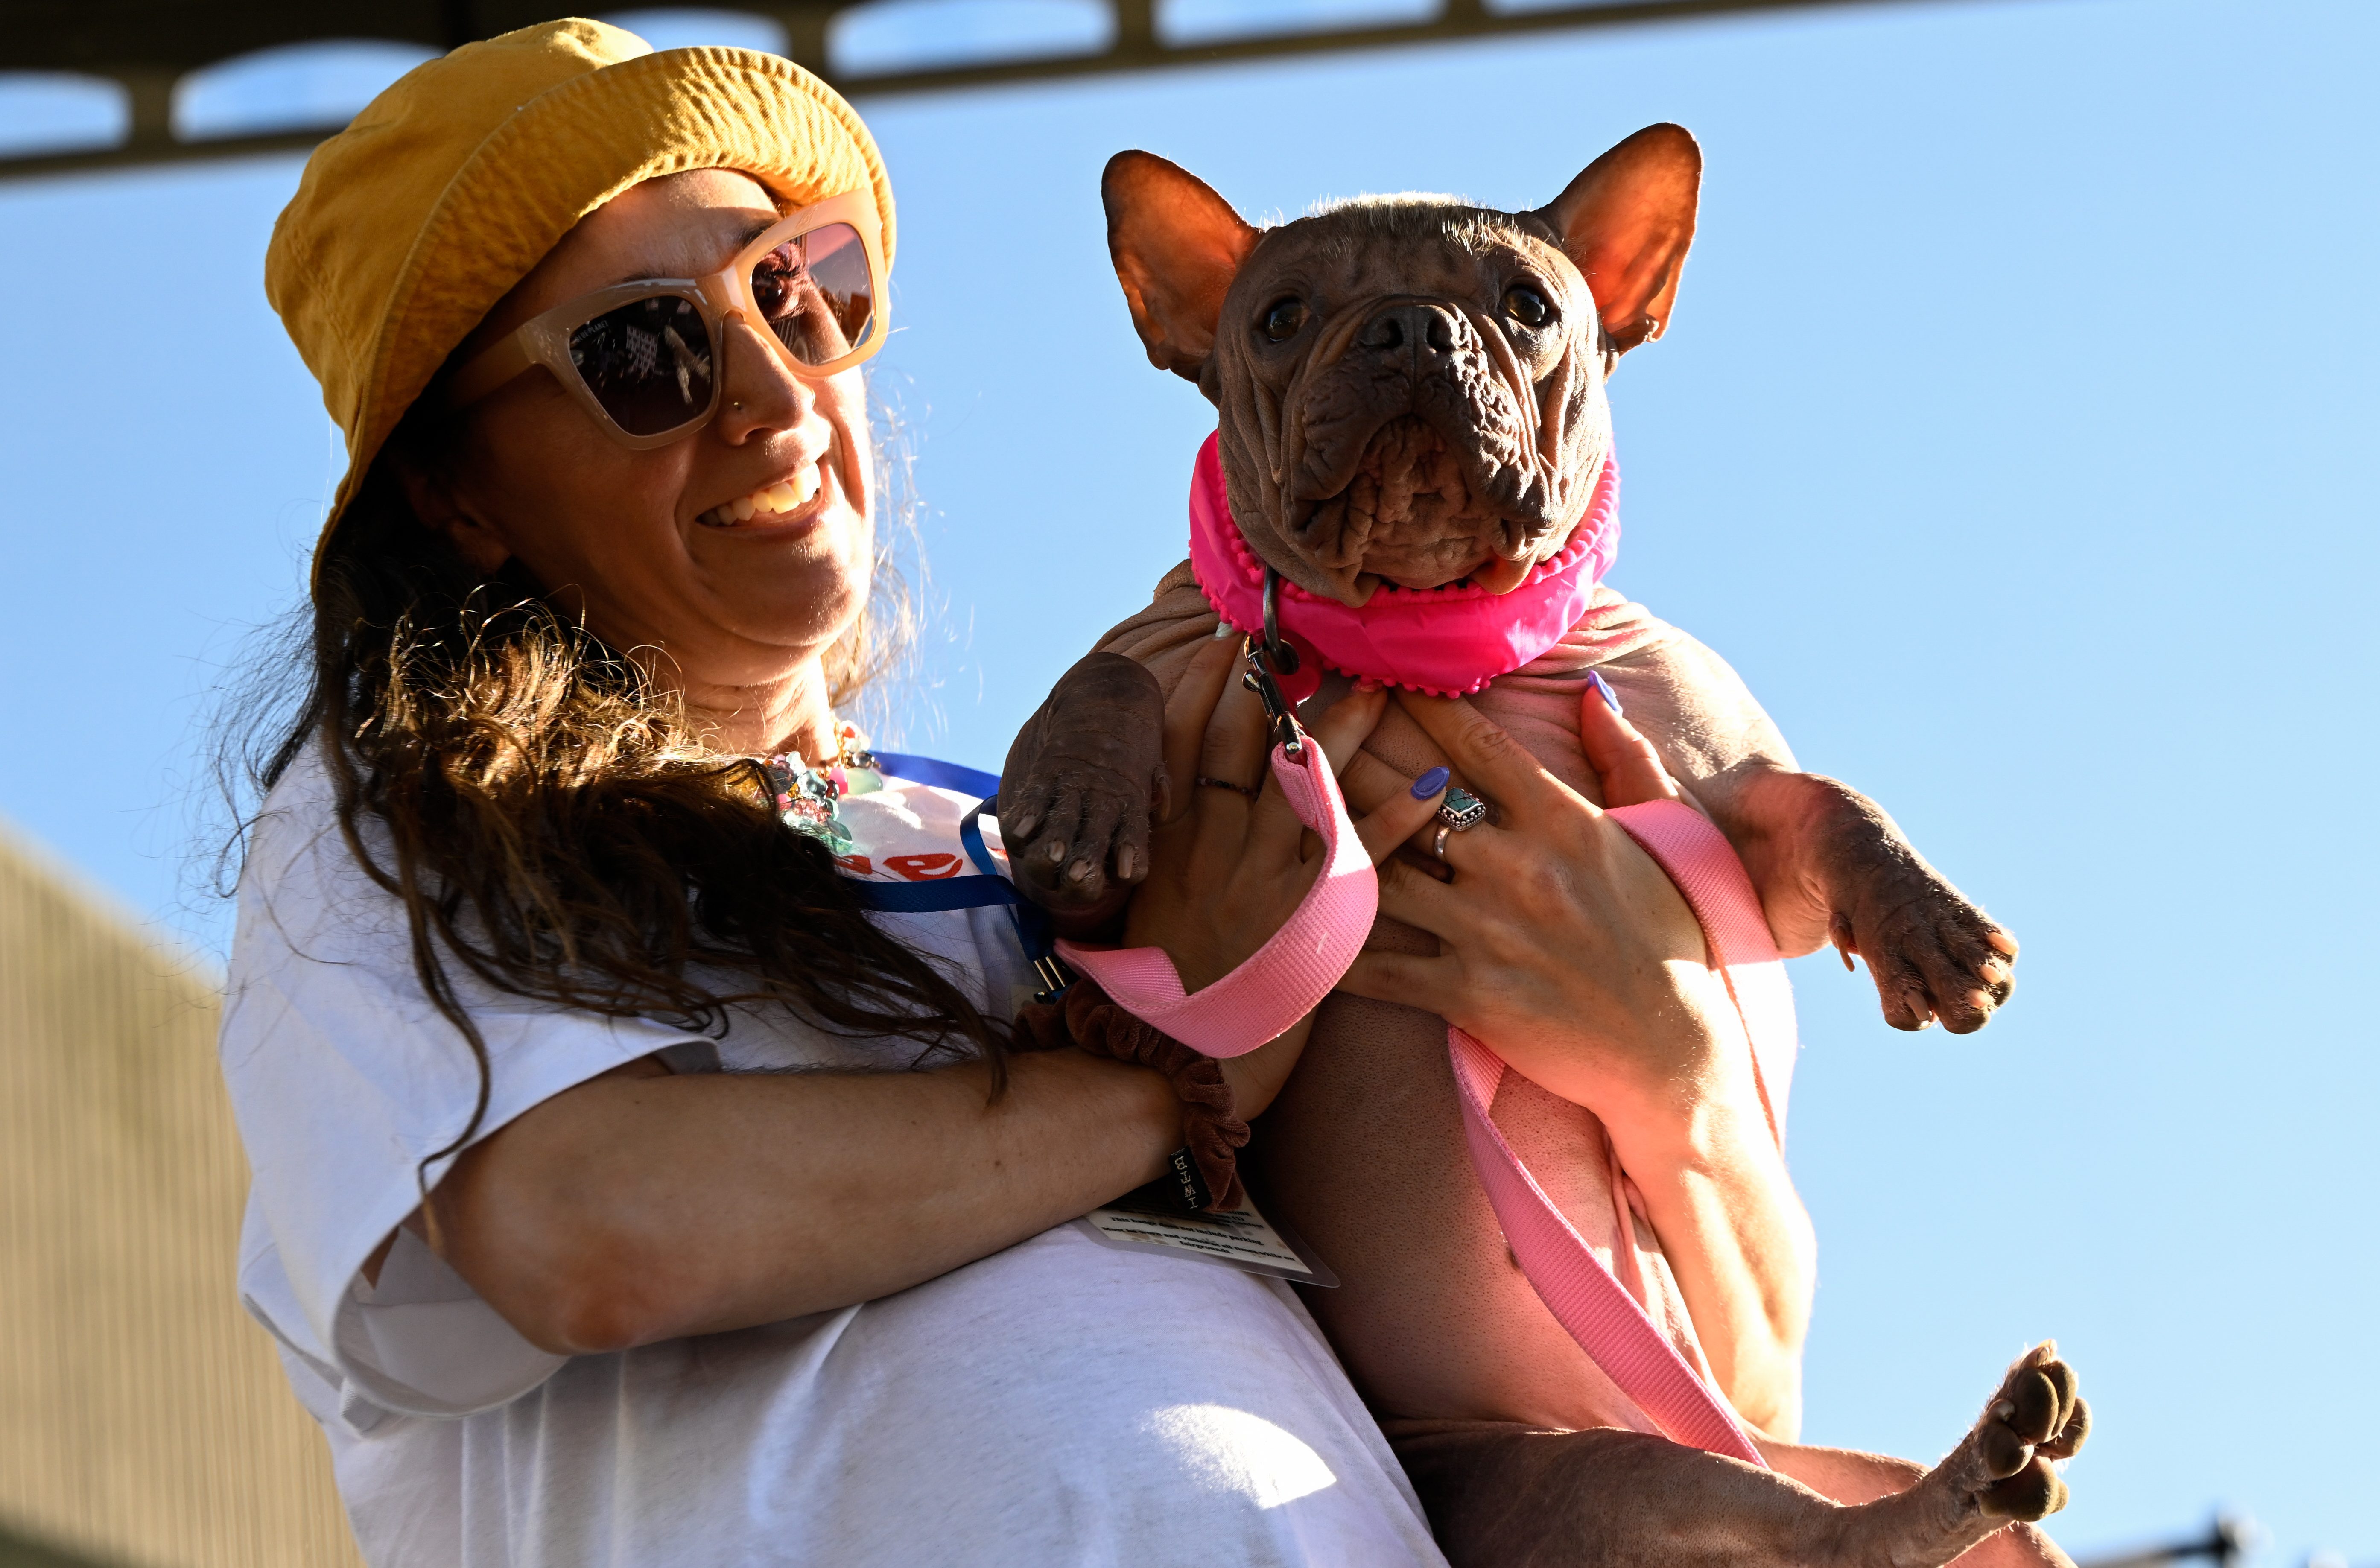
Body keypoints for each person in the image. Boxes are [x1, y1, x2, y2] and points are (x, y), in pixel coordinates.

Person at [222, 20, 1809, 1565]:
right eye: (646, 353)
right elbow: (586, 1231)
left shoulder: (1069, 833)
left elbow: (1652, 1386)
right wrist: (1170, 1091)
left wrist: (1667, 1071)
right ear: (455, 493)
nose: (777, 396)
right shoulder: (421, 815)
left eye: (801, 293)